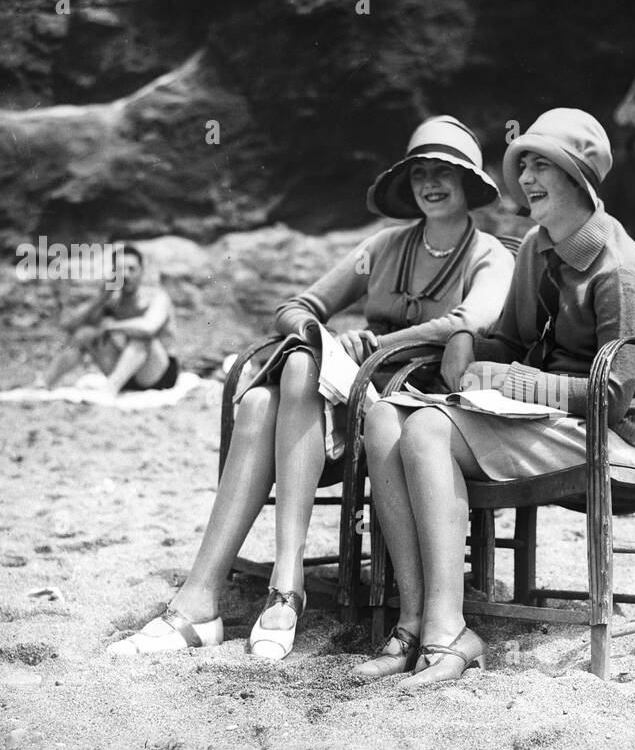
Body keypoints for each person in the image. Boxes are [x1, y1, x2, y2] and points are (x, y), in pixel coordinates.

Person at [108, 115, 514, 658]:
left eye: (446, 171)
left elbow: (466, 323)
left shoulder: (492, 255)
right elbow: (296, 307)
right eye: (419, 173)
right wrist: (321, 336)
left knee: (275, 388)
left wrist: (376, 343)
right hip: (351, 392)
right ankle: (241, 592)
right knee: (264, 395)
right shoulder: (385, 246)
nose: (431, 183)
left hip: (411, 407)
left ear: (470, 183)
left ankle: (242, 594)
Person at [356, 108, 635, 687]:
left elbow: (613, 392)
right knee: (384, 417)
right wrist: (468, 345)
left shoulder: (620, 271)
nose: (527, 177)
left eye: (543, 165)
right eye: (523, 163)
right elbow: (510, 338)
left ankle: (448, 629)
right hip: (551, 421)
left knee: (428, 429)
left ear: (578, 178)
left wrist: (512, 382)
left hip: (621, 440)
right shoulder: (537, 245)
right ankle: (412, 623)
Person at [37, 245, 179, 394]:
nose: (126, 274)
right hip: (125, 374)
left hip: (158, 374)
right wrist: (100, 298)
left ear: (141, 270)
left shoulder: (157, 297)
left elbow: (149, 328)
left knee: (141, 337)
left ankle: (109, 390)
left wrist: (112, 326)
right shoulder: (112, 300)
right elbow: (69, 325)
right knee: (84, 333)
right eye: (120, 269)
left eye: (131, 269)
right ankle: (44, 384)